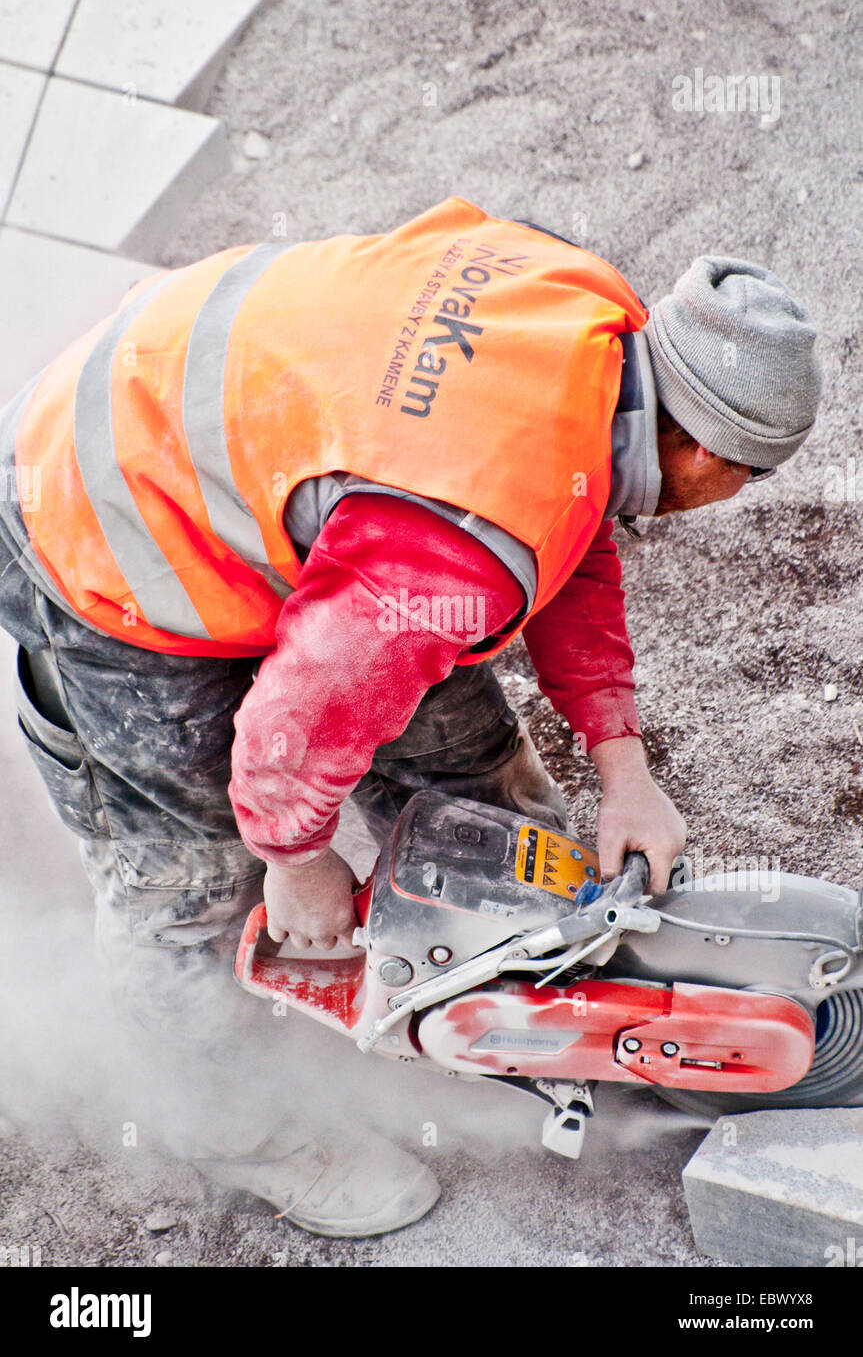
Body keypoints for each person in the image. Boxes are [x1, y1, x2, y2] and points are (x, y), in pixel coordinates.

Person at [0, 197, 821, 1235]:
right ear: (710, 456)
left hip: (288, 471)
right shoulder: (458, 535)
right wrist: (298, 861)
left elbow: (570, 529)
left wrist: (623, 760)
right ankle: (232, 1128)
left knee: (464, 763)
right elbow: (288, 731)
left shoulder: (589, 323)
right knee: (194, 881)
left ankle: (504, 974)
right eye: (743, 483)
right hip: (102, 512)